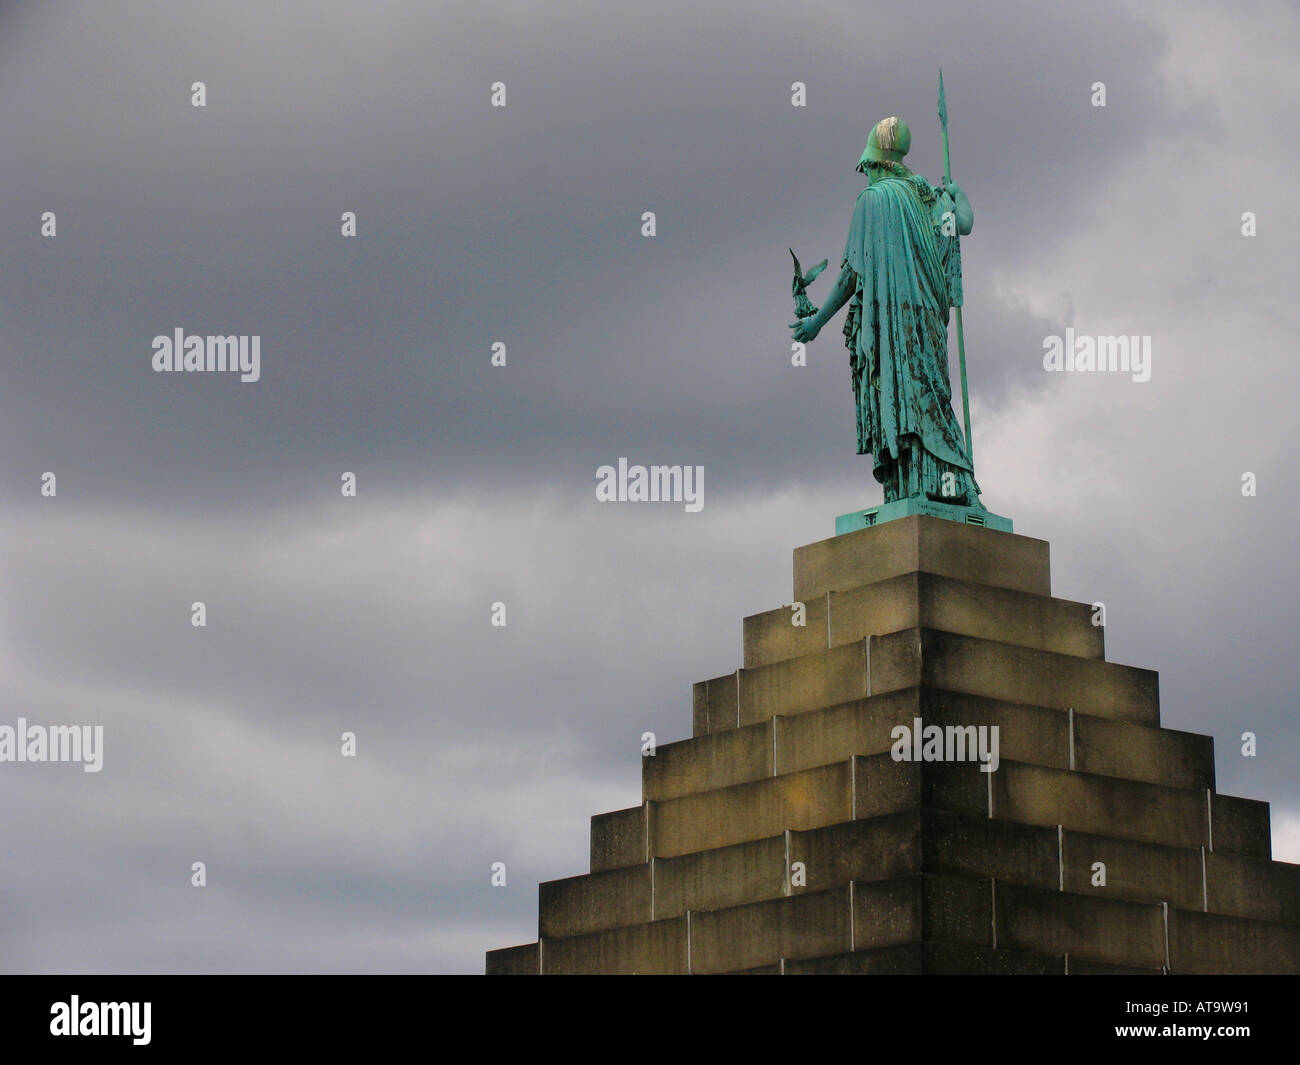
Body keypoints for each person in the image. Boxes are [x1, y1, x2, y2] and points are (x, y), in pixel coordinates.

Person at [791, 116, 982, 508]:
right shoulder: (930, 195)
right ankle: (942, 486)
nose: (866, 177)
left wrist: (817, 322)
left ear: (875, 163)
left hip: (894, 327)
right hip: (927, 322)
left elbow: (850, 274)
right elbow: (963, 224)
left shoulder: (873, 200)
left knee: (902, 400)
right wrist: (959, 194)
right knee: (932, 398)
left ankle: (922, 485)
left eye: (867, 169)